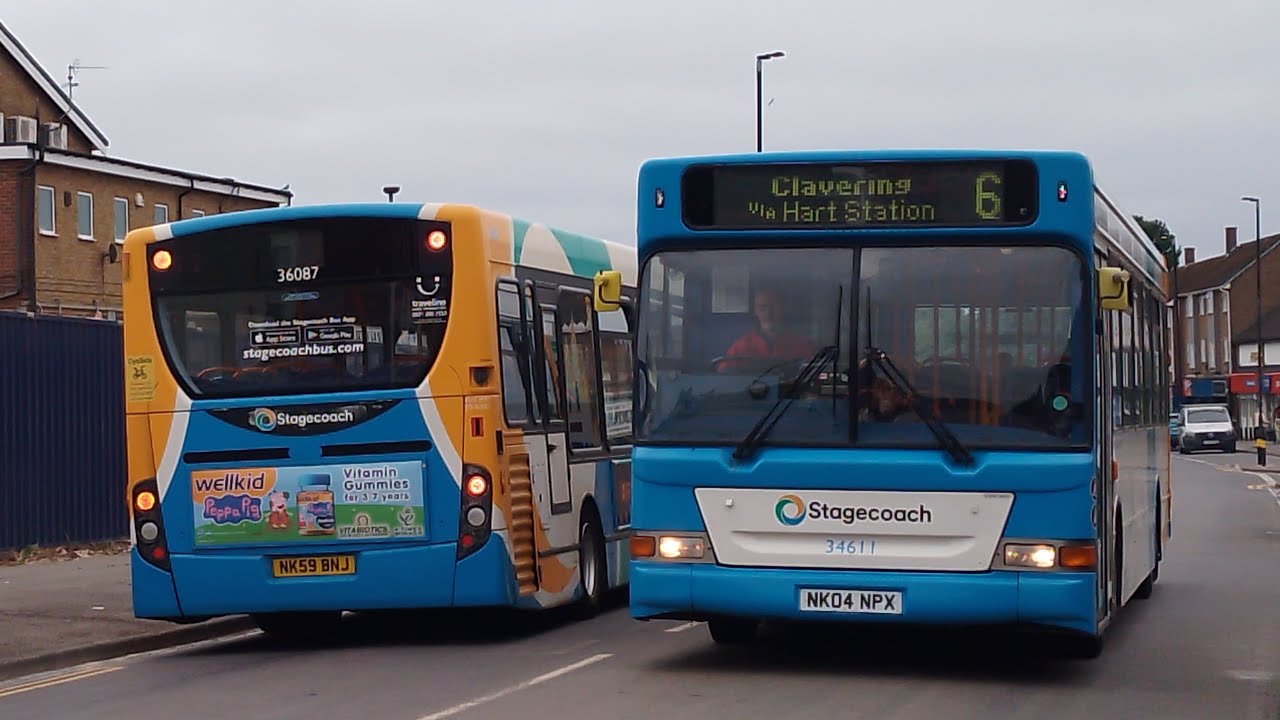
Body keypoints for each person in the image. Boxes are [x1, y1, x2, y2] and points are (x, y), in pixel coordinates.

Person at [715, 286, 815, 372]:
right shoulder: (742, 346)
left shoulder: (801, 344)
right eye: (762, 307)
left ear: (784, 309)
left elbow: (812, 375)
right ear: (755, 310)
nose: (768, 312)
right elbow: (724, 375)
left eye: (774, 307)